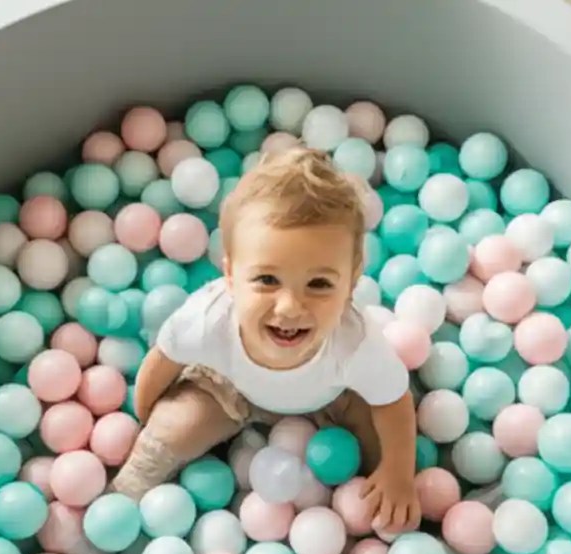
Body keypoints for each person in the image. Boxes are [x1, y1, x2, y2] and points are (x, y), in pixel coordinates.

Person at [113, 147, 420, 532]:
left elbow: (393, 401)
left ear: (352, 282)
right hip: (230, 389)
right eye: (266, 280)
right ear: (230, 275)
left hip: (331, 397)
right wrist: (147, 420)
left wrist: (398, 473)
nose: (290, 307)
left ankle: (380, 529)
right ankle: (122, 497)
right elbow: (162, 362)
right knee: (174, 427)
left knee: (379, 444)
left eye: (320, 284)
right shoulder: (208, 320)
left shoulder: (354, 345)